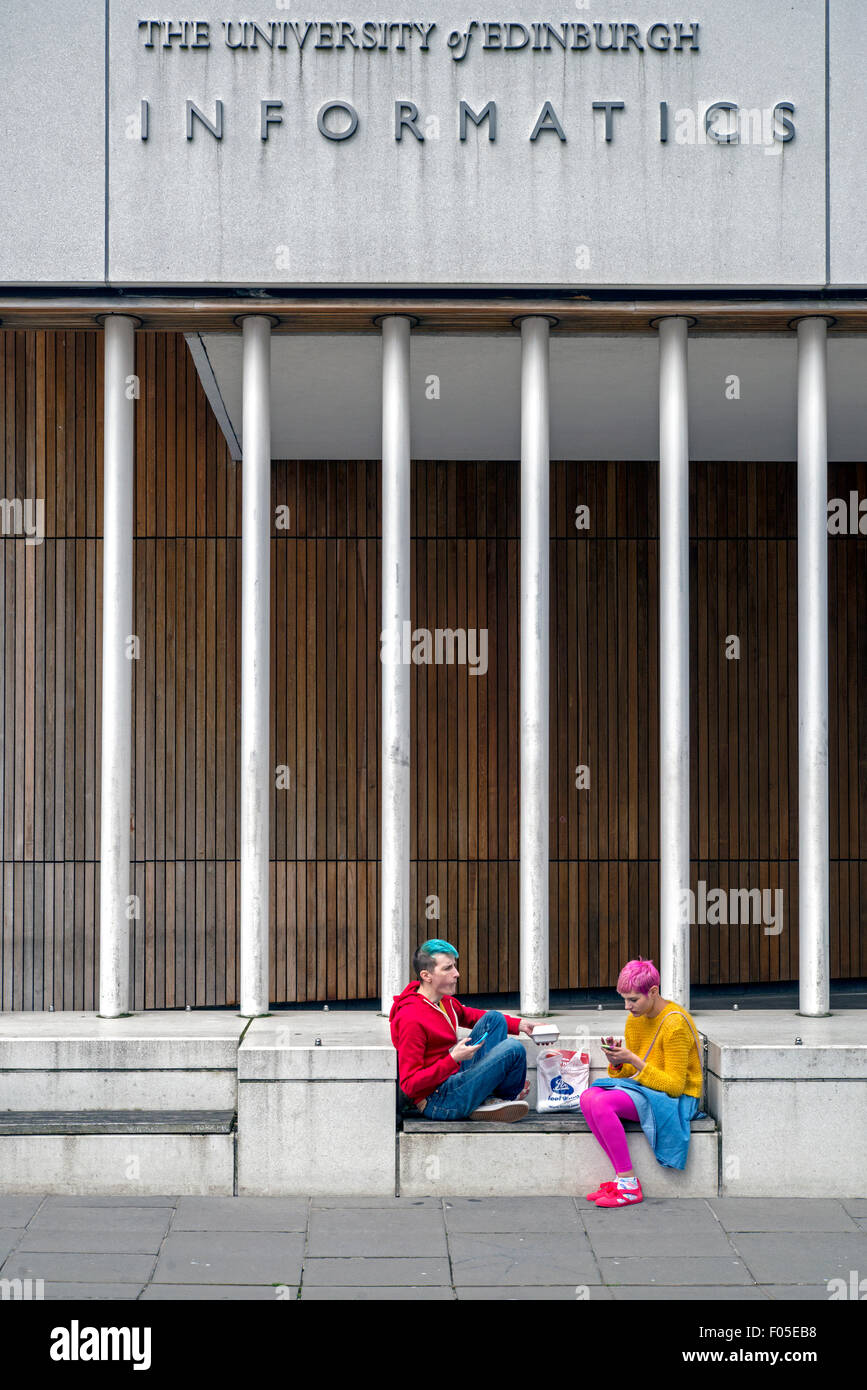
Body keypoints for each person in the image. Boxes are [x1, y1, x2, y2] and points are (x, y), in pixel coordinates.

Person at [579, 957, 703, 1208]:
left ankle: (628, 1184)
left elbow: (675, 1086)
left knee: (602, 1103)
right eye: (624, 999)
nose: (627, 1006)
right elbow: (629, 1071)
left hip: (680, 1099)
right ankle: (621, 1179)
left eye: (633, 999)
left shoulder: (675, 1024)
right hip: (647, 1089)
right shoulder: (635, 1019)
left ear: (653, 992)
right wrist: (616, 1061)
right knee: (588, 1097)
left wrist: (633, 1060)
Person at [389, 938, 540, 1122]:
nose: (457, 973)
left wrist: (520, 1024)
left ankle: (488, 1099)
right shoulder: (411, 1018)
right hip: (438, 1101)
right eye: (448, 968)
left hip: (452, 1078)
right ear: (426, 975)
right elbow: (410, 1085)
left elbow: (471, 1016)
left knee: (495, 1019)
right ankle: (495, 1098)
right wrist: (452, 1059)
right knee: (513, 1049)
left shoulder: (443, 1001)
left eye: (454, 966)